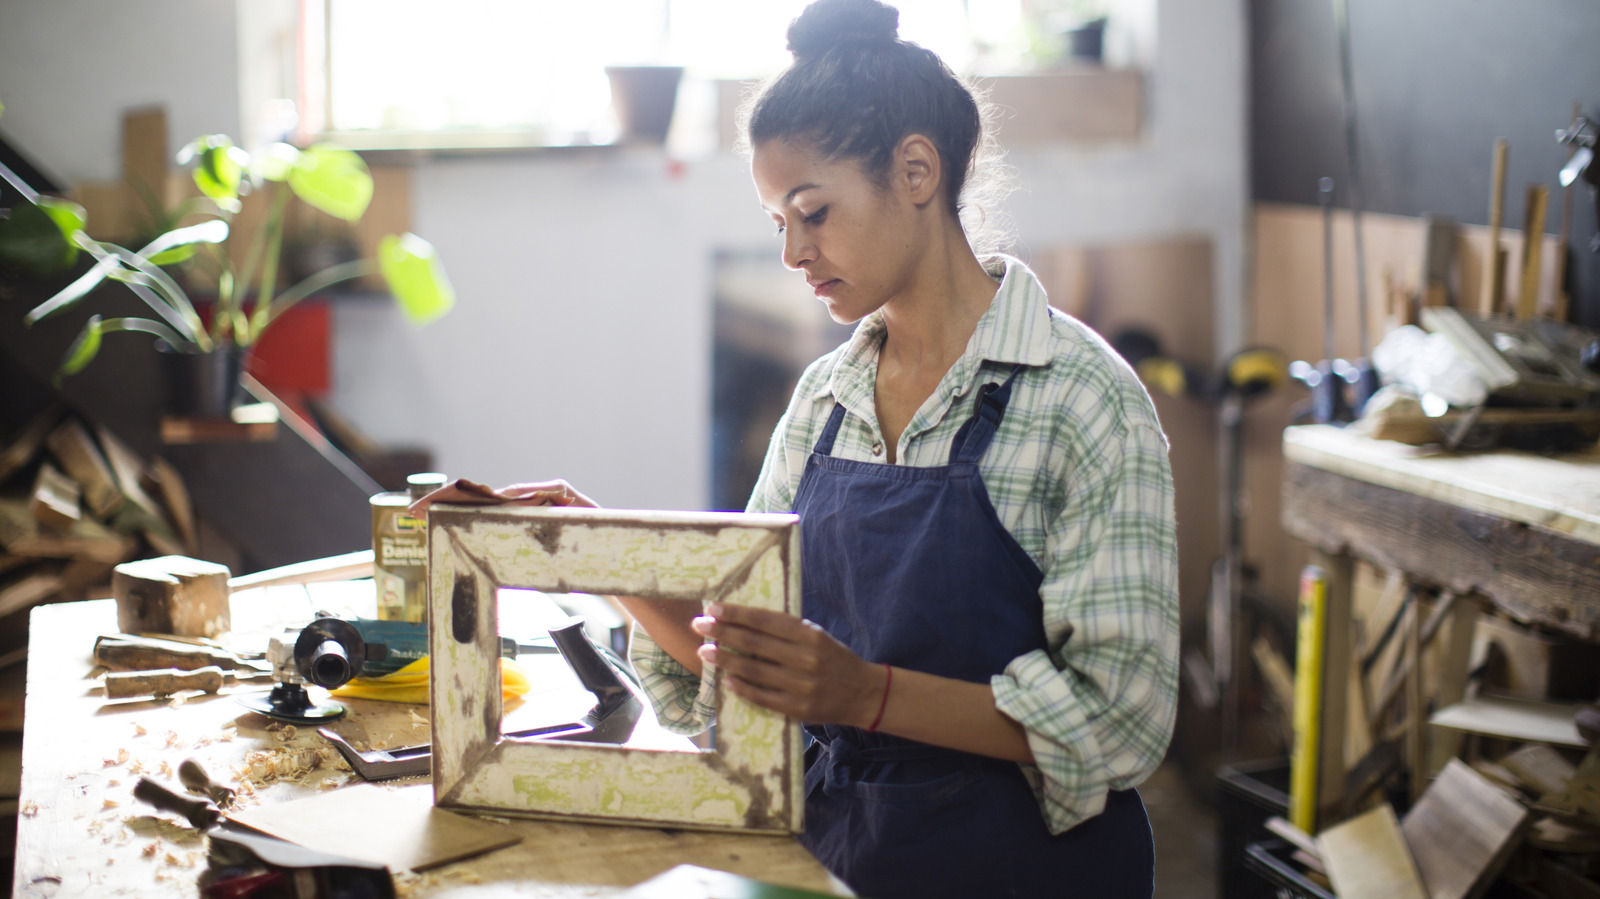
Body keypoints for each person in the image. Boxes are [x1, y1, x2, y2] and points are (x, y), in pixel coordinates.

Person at [420, 1, 1179, 895]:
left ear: (915, 170)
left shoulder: (1083, 399)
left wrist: (866, 695)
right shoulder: (826, 399)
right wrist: (594, 549)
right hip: (831, 863)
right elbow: (741, 657)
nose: (791, 251)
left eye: (811, 212)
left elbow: (1119, 720)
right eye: (779, 219)